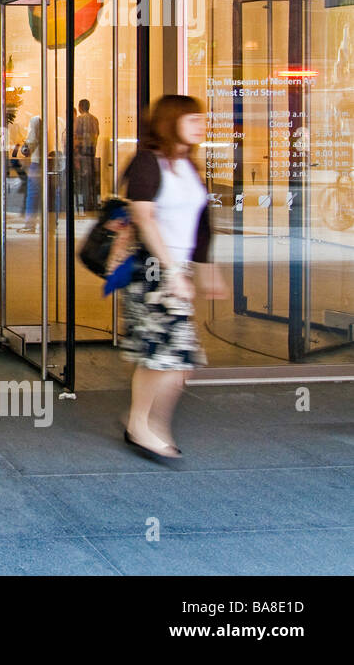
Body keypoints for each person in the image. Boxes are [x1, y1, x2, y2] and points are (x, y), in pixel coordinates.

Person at [121, 95, 225, 460]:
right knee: (167, 359)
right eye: (193, 119)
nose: (201, 125)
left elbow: (202, 226)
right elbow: (144, 219)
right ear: (170, 121)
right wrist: (170, 272)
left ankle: (146, 424)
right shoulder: (148, 163)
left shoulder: (188, 165)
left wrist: (207, 271)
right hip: (151, 273)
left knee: (170, 360)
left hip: (174, 272)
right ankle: (142, 425)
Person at [18, 115, 43, 234]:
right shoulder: (57, 120)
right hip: (52, 161)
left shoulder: (35, 119)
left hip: (37, 160)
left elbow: (32, 141)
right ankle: (51, 223)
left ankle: (30, 224)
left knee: (33, 193)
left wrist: (24, 148)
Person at [75, 98, 101, 211]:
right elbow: (97, 135)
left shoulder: (79, 119)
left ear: (80, 107)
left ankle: (86, 206)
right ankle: (94, 204)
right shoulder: (95, 120)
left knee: (84, 181)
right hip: (92, 153)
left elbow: (76, 136)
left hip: (82, 154)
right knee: (92, 181)